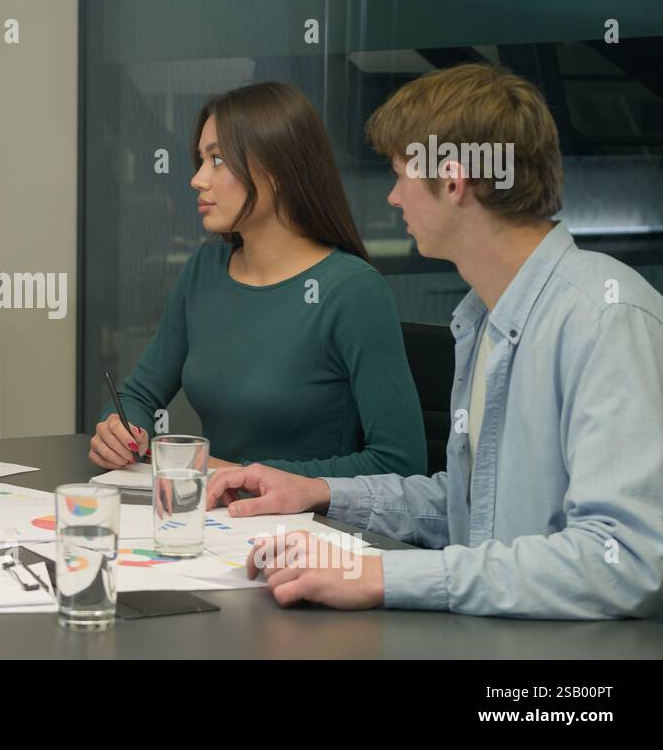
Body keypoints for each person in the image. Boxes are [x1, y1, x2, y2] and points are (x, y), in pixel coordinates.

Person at [208, 63, 663, 619]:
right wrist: (316, 490)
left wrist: (381, 575)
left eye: (401, 175)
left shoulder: (606, 319)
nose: (394, 198)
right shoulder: (482, 318)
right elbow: (469, 510)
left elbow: (623, 559)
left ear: (453, 181)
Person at [90, 82, 426, 481]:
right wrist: (119, 427)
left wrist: (243, 474)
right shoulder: (206, 269)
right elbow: (138, 395)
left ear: (279, 171)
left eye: (217, 160)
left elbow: (400, 465)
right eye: (200, 160)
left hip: (310, 532)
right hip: (217, 522)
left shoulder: (352, 290)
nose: (198, 179)